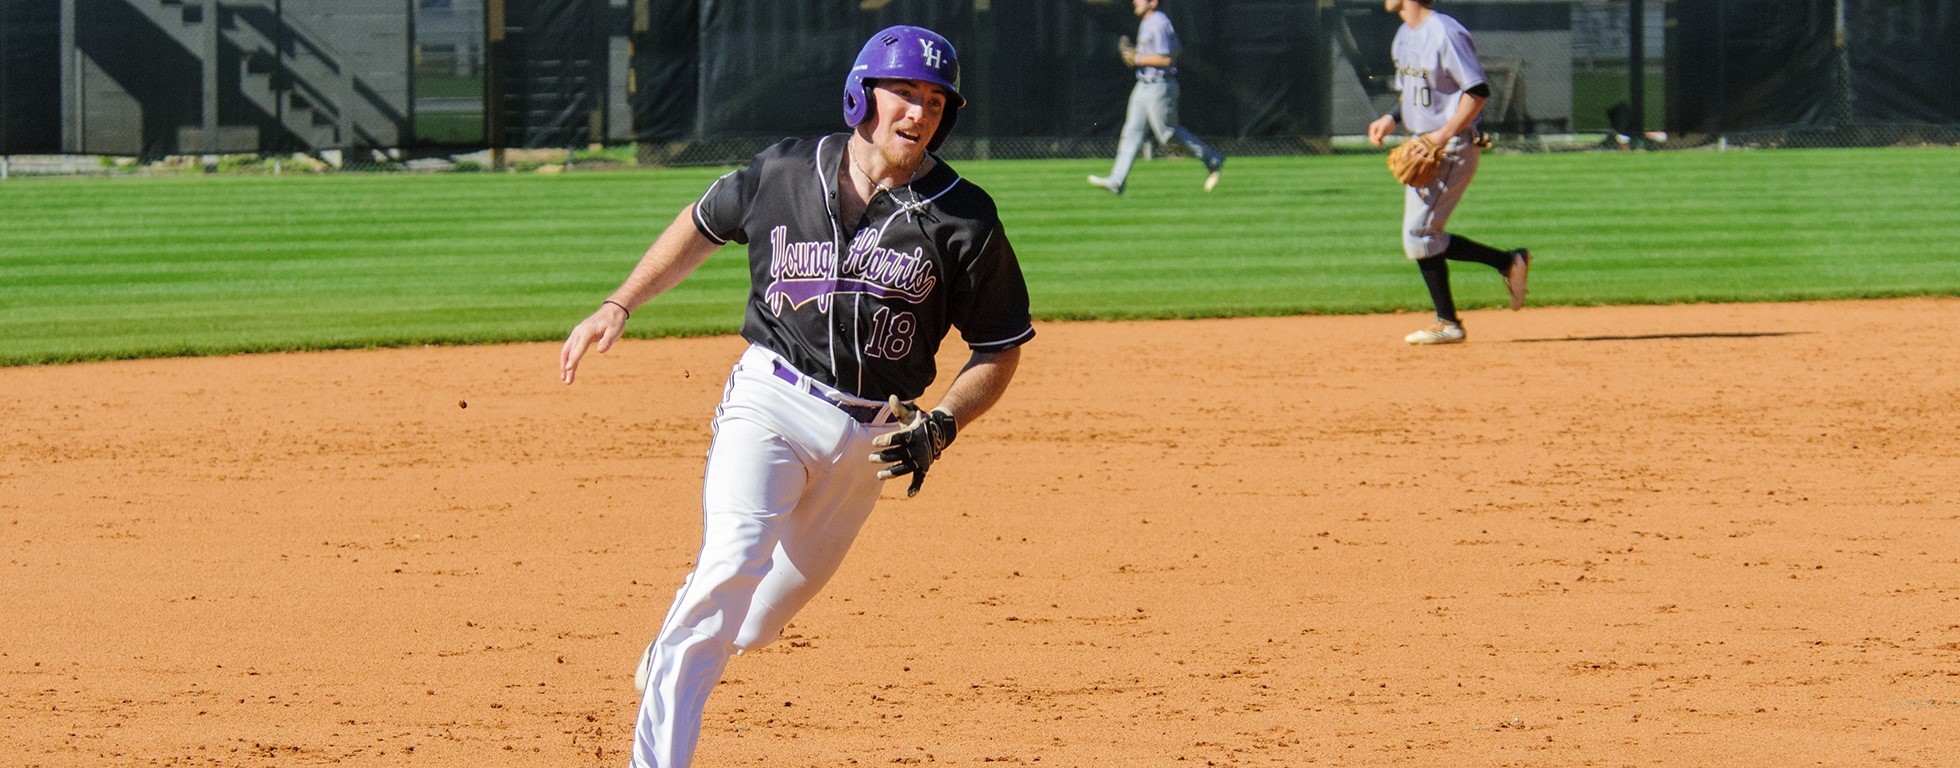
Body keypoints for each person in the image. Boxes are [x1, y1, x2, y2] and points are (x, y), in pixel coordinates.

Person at [557, 25, 1034, 768]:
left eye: (936, 101)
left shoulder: (963, 216)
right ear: (862, 96)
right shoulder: (784, 169)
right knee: (727, 574)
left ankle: (672, 650)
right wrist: (621, 302)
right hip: (771, 402)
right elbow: (703, 224)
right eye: (905, 93)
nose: (919, 112)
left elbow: (999, 346)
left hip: (871, 444)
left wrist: (942, 423)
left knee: (754, 624)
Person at [1366, 0, 1531, 345]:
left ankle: (1450, 321)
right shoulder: (1404, 34)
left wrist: (1441, 135)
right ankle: (1507, 262)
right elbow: (1413, 92)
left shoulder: (1445, 32)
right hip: (1424, 145)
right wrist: (1391, 118)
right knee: (1422, 235)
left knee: (1420, 233)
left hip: (1450, 146)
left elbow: (1477, 92)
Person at [1088, 0, 1226, 195]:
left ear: (1152, 2)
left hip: (1159, 85)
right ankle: (1116, 181)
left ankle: (1212, 158)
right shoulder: (1149, 22)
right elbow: (1177, 49)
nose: (1135, 1)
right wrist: (1135, 55)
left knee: (1167, 135)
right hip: (1144, 84)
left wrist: (1137, 58)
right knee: (1131, 133)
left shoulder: (1159, 22)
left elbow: (1166, 59)